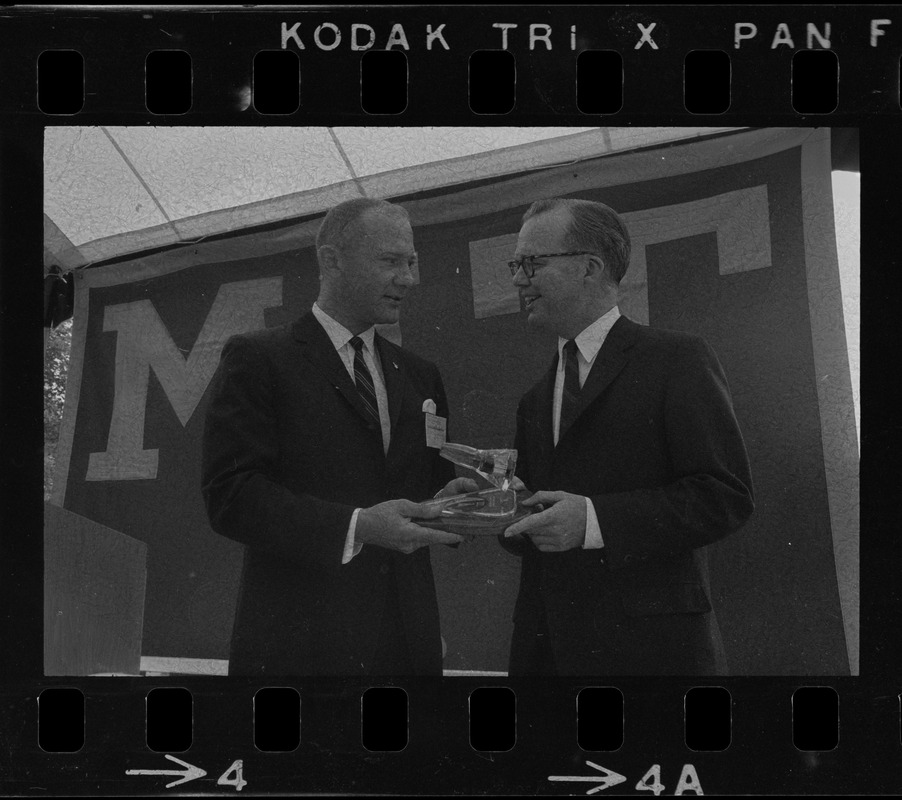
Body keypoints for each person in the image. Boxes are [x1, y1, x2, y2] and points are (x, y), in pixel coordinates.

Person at [202, 197, 473, 677]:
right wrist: (360, 526)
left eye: (411, 262)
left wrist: (452, 503)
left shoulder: (420, 375)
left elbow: (424, 492)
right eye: (390, 261)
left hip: (409, 647)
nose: (408, 278)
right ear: (331, 260)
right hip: (299, 651)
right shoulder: (259, 357)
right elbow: (232, 496)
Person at [501, 197, 755, 676]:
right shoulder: (535, 399)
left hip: (654, 657)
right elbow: (534, 527)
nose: (518, 280)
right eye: (517, 264)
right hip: (548, 656)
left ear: (590, 268)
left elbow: (725, 497)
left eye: (531, 263)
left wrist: (593, 520)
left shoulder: (677, 359)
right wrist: (497, 507)